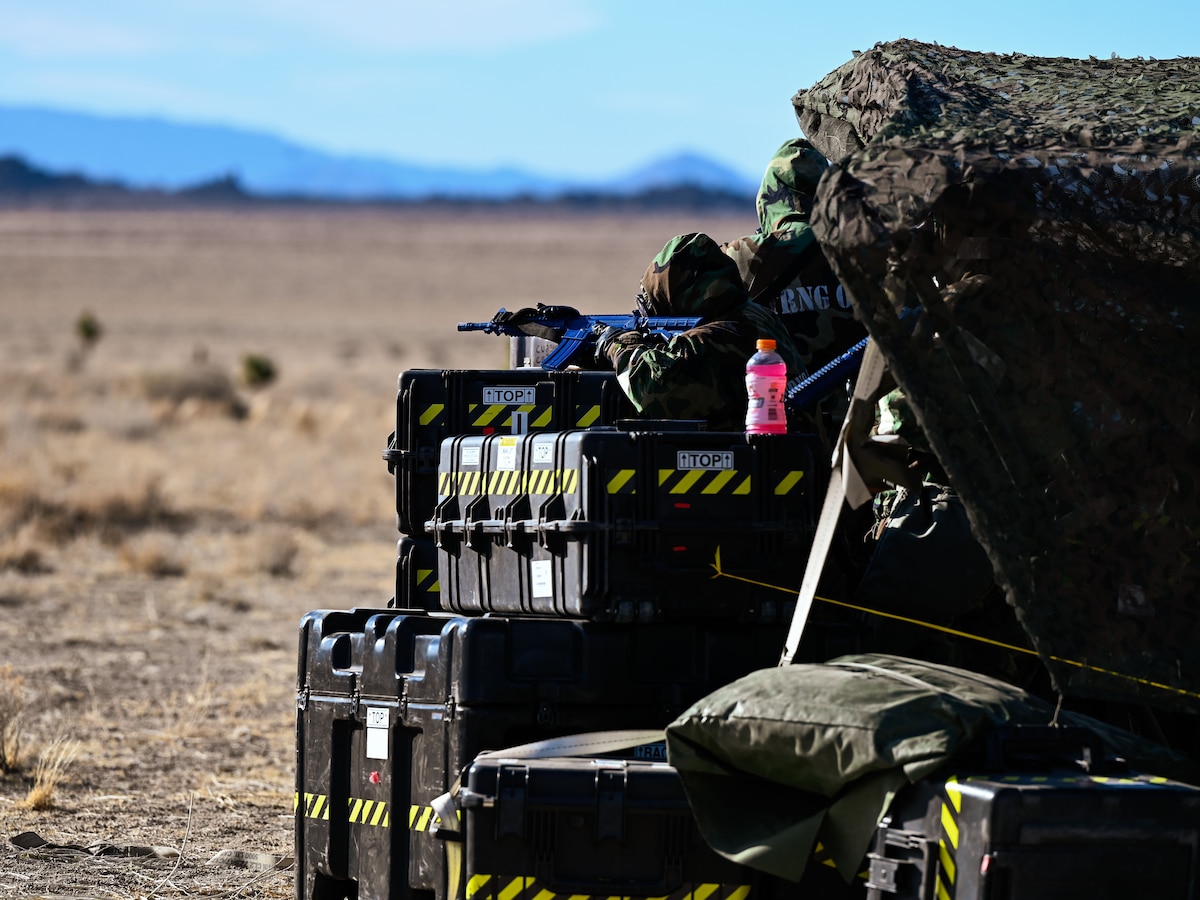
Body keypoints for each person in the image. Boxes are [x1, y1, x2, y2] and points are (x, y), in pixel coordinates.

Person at [593, 232, 806, 432]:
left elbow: (651, 388)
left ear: (675, 293)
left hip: (757, 462)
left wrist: (617, 346)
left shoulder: (714, 338)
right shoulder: (755, 314)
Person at [723, 138, 866, 375]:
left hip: (774, 404)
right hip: (860, 407)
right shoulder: (868, 246)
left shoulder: (743, 254)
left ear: (768, 196)